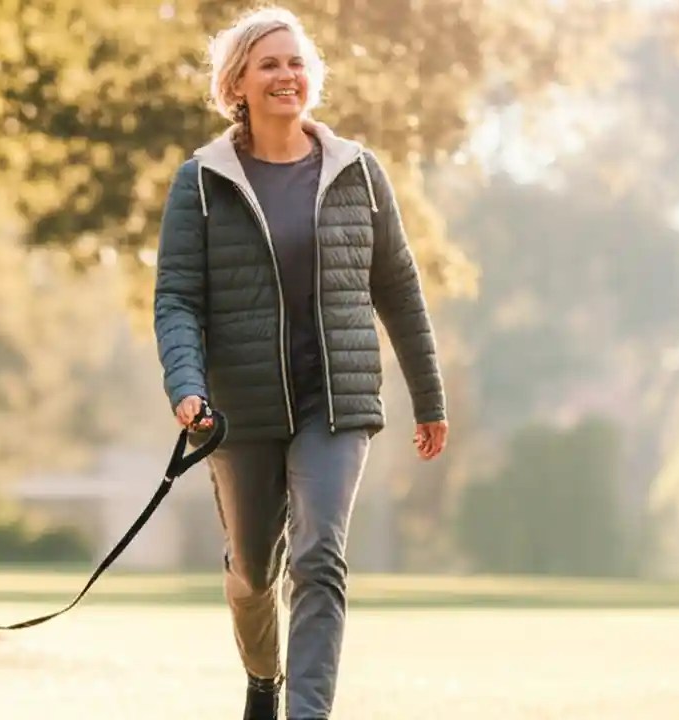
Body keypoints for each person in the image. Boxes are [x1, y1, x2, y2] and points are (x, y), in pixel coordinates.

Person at [153, 7, 448, 719]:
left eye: (296, 63)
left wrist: (428, 396)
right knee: (253, 572)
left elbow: (399, 288)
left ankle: (307, 713)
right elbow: (177, 298)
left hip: (336, 401)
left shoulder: (358, 172)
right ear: (237, 85)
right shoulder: (201, 181)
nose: (286, 75)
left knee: (318, 555)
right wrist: (187, 387)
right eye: (269, 65)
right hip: (241, 406)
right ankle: (263, 677)